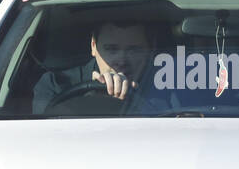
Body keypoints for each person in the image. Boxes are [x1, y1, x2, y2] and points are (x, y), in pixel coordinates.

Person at [33, 20, 165, 114]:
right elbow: (47, 138)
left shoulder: (171, 84)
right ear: (93, 46)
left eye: (134, 50)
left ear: (151, 50)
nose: (122, 61)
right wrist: (93, 100)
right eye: (111, 49)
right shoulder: (55, 85)